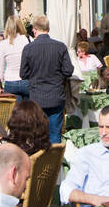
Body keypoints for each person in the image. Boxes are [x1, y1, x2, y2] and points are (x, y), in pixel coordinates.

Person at [19, 14, 73, 145]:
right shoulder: (60, 47)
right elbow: (68, 70)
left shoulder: (28, 48)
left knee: (37, 135)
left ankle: (39, 163)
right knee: (55, 135)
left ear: (34, 29)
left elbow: (23, 74)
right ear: (48, 29)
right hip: (56, 95)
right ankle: (54, 163)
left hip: (37, 96)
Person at [0, 16, 30, 99]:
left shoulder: (3, 44)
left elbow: (0, 69)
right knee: (29, 110)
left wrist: (0, 86)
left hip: (10, 81)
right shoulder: (27, 40)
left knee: (15, 111)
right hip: (26, 80)